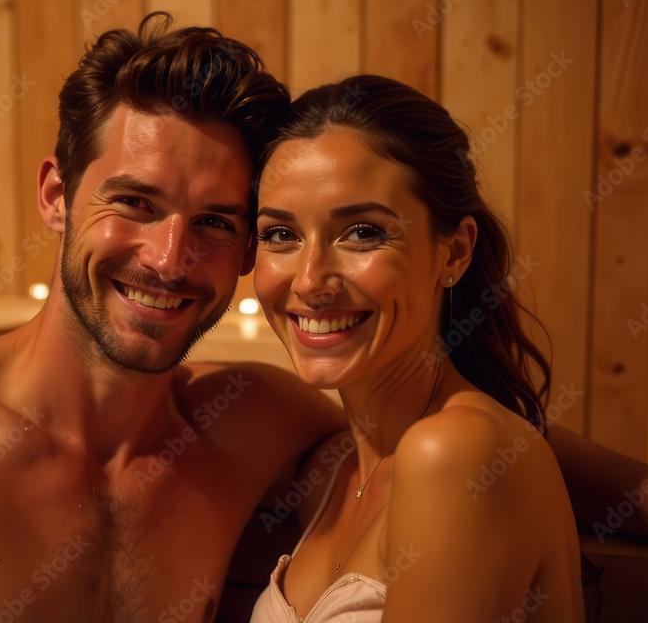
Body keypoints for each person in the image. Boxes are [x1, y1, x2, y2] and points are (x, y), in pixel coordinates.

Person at [0, 13, 648, 622]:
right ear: (55, 193)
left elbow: (469, 435)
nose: (171, 259)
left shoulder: (243, 419)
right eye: (131, 202)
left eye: (217, 221)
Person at [249, 75, 582, 620]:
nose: (310, 281)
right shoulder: (340, 472)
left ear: (454, 253)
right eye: (280, 235)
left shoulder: (455, 452)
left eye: (361, 232)